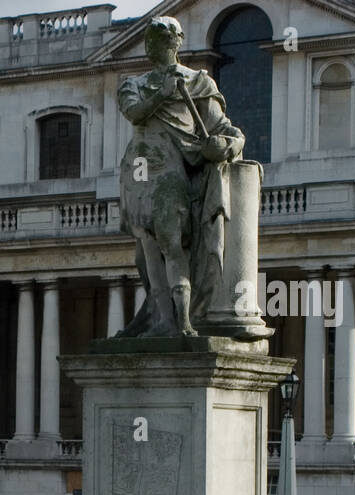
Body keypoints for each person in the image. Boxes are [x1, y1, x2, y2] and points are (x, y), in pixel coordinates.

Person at [117, 16, 245, 338]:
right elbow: (134, 112)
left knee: (171, 241)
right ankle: (160, 318)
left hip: (173, 172)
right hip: (139, 170)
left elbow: (225, 130)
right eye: (152, 39)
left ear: (179, 41)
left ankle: (180, 319)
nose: (155, 45)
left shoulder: (199, 83)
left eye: (164, 38)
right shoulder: (132, 84)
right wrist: (163, 93)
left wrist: (225, 146)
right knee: (146, 249)